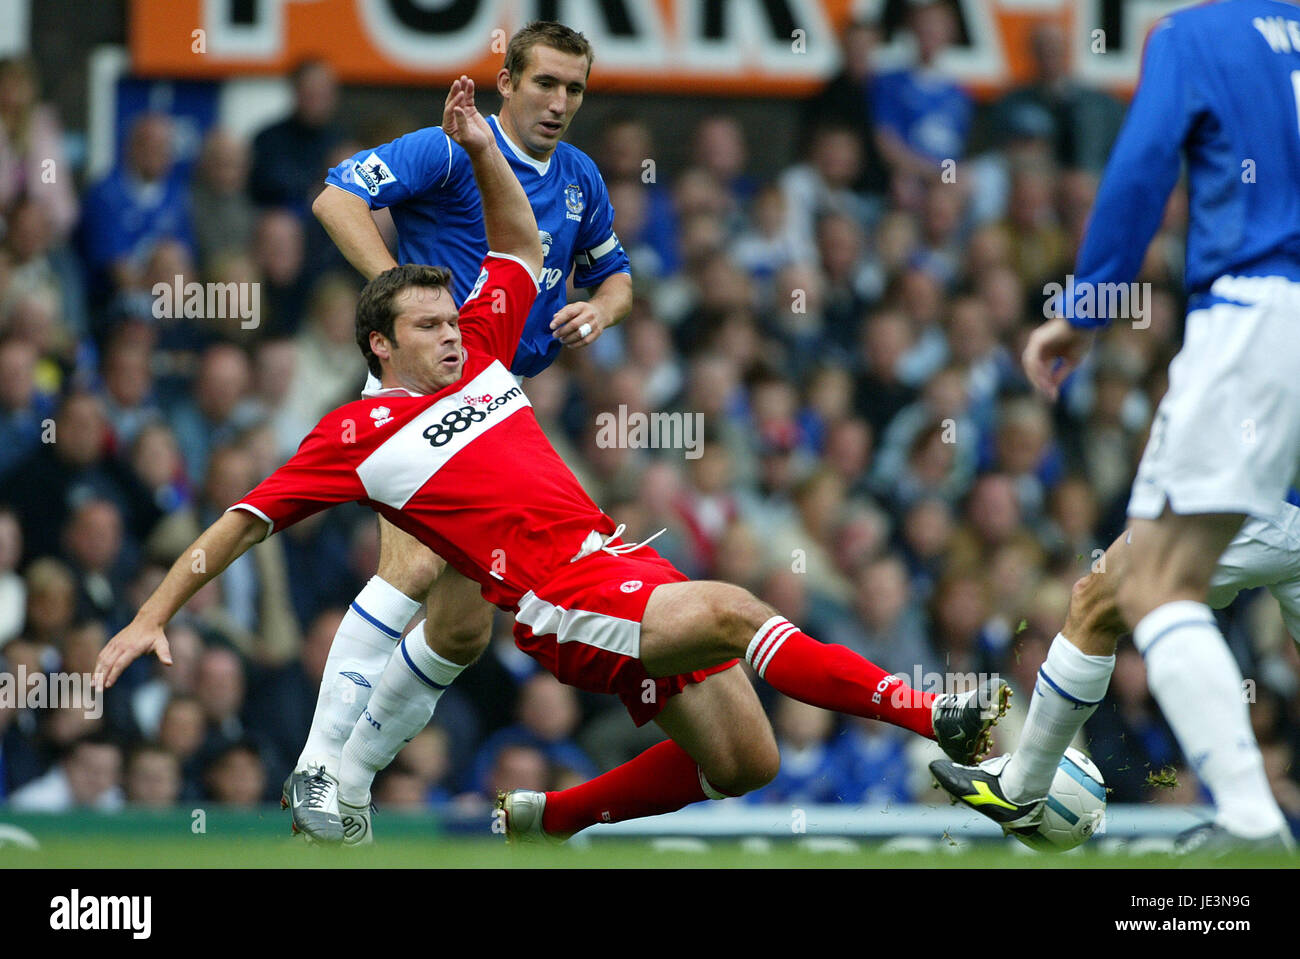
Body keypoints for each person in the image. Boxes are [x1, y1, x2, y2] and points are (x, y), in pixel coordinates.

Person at [94, 83, 1007, 847]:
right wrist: (150, 614)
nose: (453, 334)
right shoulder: (357, 436)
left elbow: (521, 249)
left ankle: (548, 820)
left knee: (745, 762)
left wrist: (484, 149)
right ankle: (938, 715)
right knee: (736, 608)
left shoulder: (484, 348)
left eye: (453, 320)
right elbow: (240, 523)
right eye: (427, 326)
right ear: (380, 341)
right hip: (558, 602)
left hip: (613, 561)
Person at [930, 0, 1300, 854]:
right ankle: (1022, 787)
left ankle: (1247, 817)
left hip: (1258, 327)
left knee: (1150, 584)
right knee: (1106, 589)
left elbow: (1137, 171)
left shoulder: (1196, 37)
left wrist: (1086, 305)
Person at [285, 20, 632, 840]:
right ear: (506, 81)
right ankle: (316, 769)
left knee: (464, 625)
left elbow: (616, 276)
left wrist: (599, 310)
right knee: (415, 559)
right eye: (544, 82)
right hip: (431, 381)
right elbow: (336, 197)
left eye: (574, 89)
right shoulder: (449, 149)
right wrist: (404, 296)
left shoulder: (579, 177)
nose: (558, 102)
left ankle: (355, 780)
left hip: (502, 396)